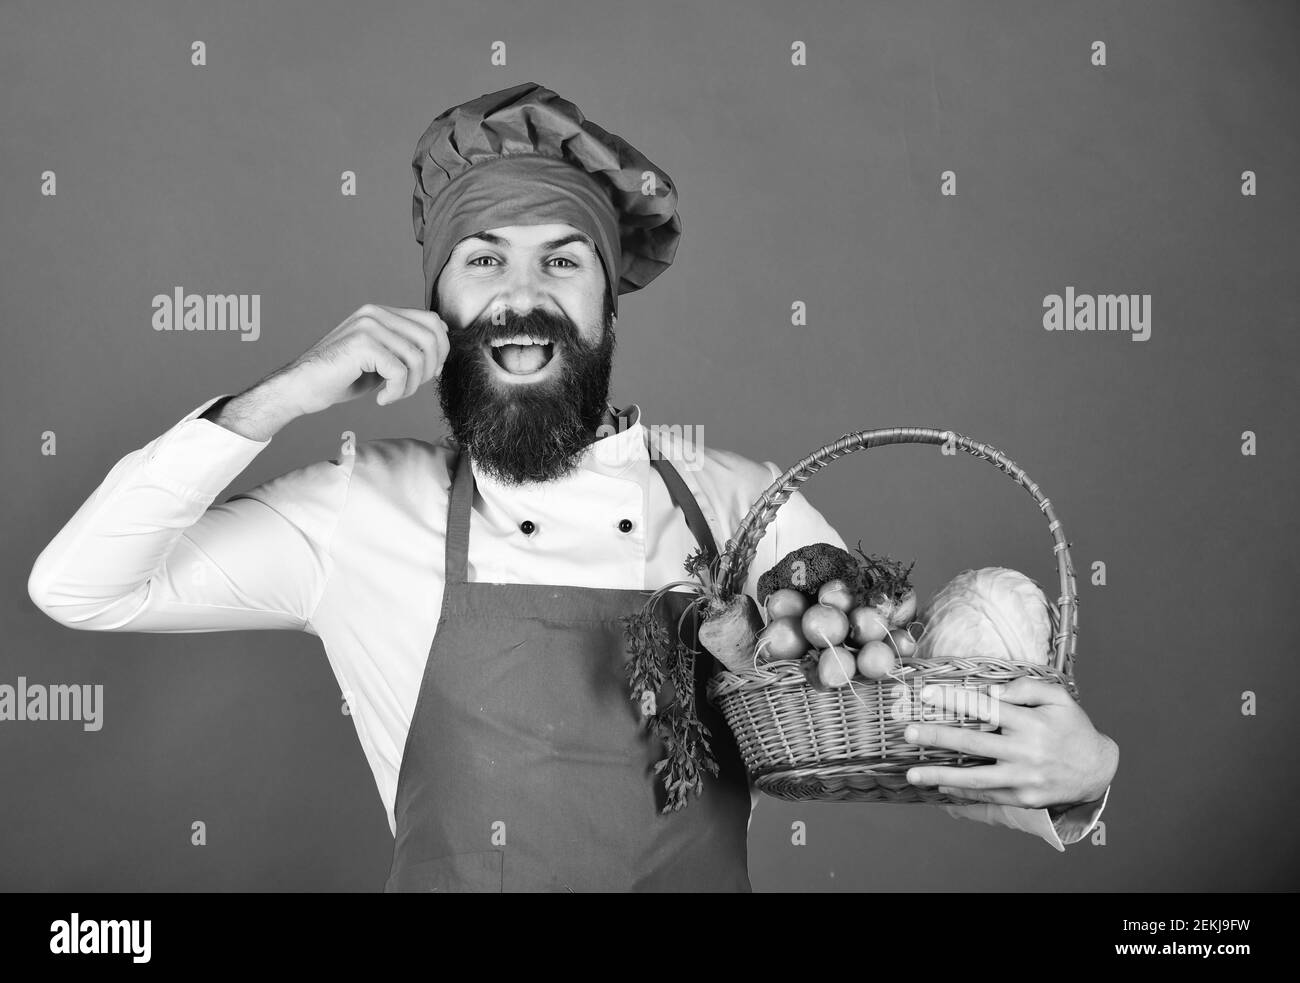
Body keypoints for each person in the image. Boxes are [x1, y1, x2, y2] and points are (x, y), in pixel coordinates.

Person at [27, 82, 1116, 892]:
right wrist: (280, 395)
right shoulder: (360, 511)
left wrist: (1080, 775)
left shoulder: (737, 503)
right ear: (438, 305)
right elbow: (82, 587)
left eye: (561, 262)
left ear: (605, 307)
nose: (521, 295)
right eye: (483, 259)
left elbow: (894, 713)